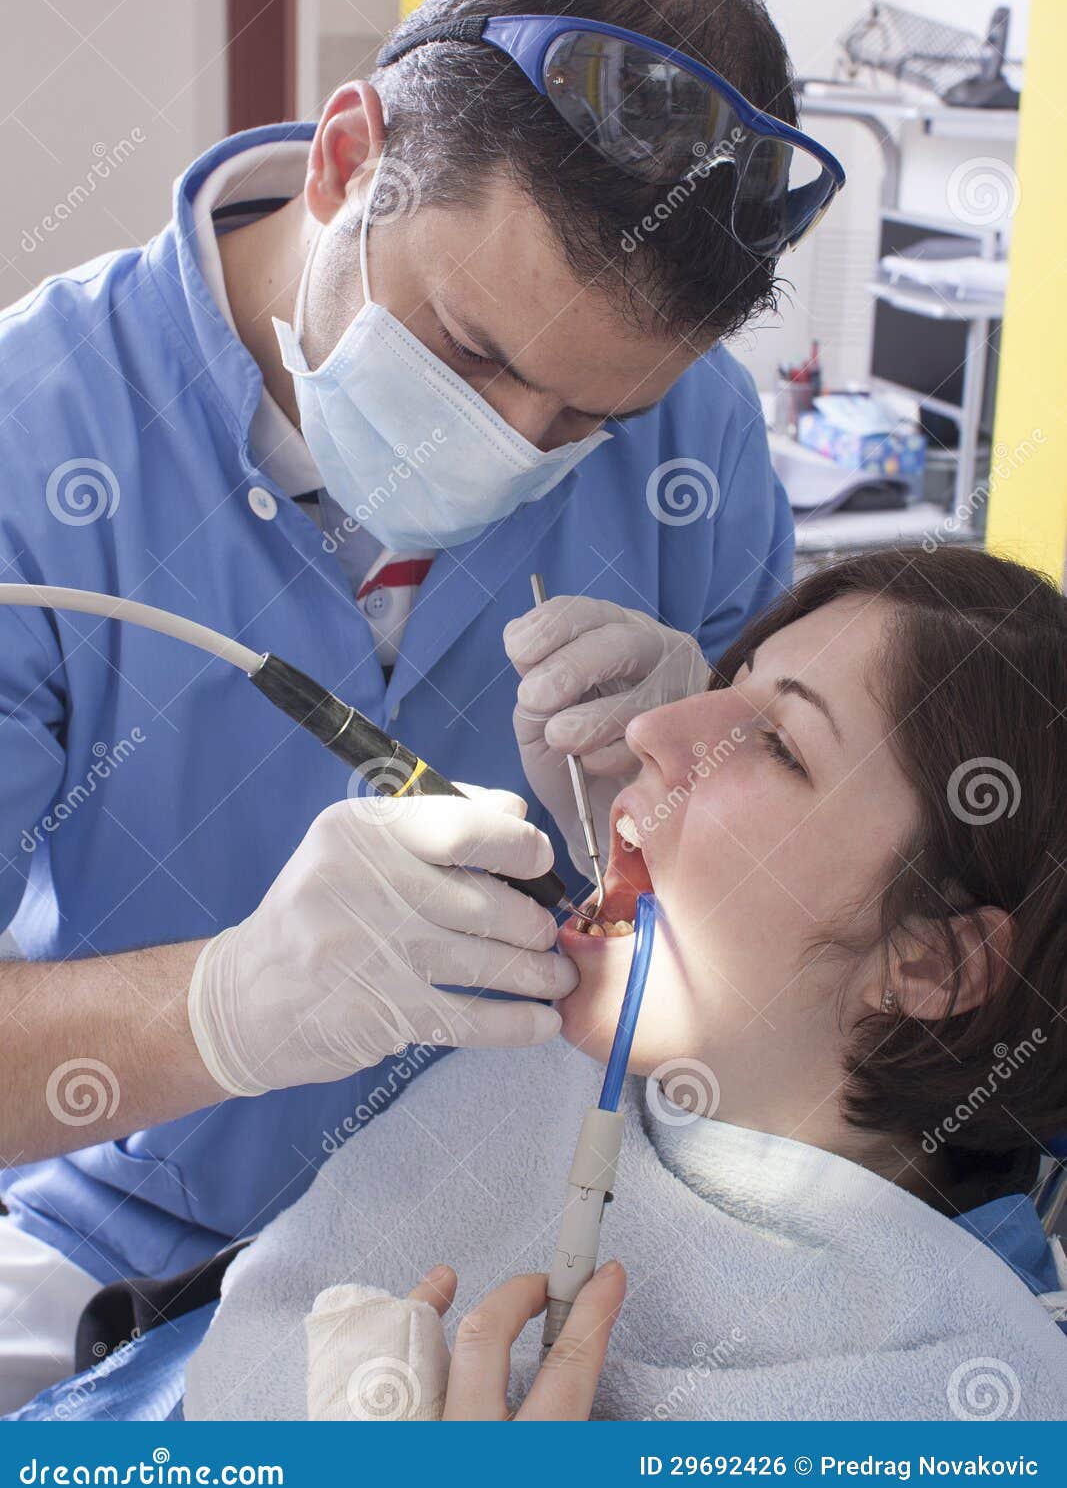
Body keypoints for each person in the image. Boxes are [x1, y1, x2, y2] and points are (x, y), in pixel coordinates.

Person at [0, 0, 822, 1410]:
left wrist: (695, 786)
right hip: (133, 1263)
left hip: (546, 1246)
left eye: (583, 422)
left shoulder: (691, 435)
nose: (515, 449)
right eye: (470, 354)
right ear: (344, 158)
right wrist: (226, 1005)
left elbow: (818, 932)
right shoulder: (34, 448)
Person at [181, 547, 1067, 1422]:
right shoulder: (533, 1091)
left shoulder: (966, 1400)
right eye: (731, 677)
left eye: (776, 744)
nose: (652, 729)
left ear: (929, 965)